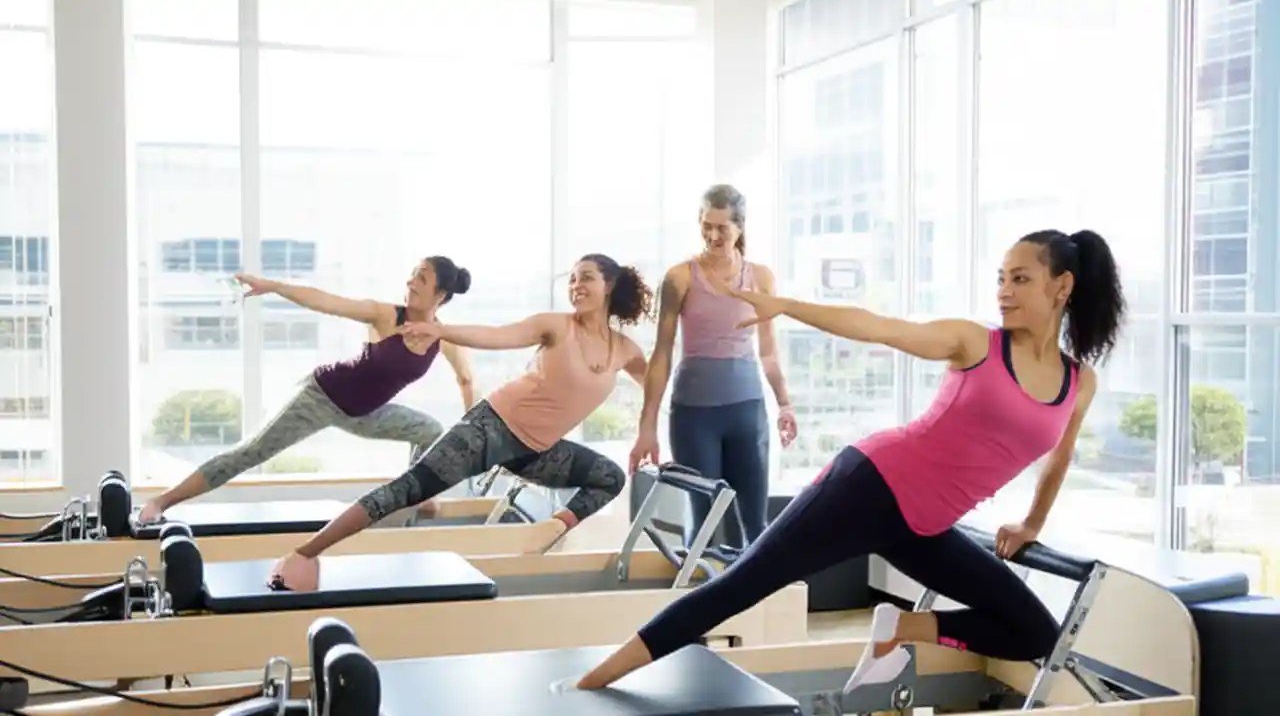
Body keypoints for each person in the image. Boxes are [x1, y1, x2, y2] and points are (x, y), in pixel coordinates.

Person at [573, 229, 1125, 693]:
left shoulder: (1080, 382)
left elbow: (1060, 456)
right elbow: (877, 325)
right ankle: (590, 685)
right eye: (1001, 278)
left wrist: (1032, 523)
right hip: (869, 485)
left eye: (1020, 279)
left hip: (924, 526)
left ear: (1063, 287)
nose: (1004, 291)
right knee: (738, 588)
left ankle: (900, 626)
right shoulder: (975, 342)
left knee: (1034, 634)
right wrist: (787, 307)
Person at [267, 253, 656, 591]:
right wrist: (441, 329)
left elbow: (656, 381)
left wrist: (648, 430)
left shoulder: (624, 351)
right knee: (404, 491)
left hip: (536, 452)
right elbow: (497, 336)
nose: (576, 286)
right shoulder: (556, 325)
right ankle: (303, 553)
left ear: (611, 286)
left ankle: (552, 527)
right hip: (488, 430)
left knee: (610, 477)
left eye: (585, 277)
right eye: (571, 279)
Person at [137, 256, 476, 523]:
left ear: (441, 294)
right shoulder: (386, 315)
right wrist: (273, 286)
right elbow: (325, 301)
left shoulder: (444, 338)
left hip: (366, 414)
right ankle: (161, 501)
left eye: (422, 277)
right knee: (249, 453)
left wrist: (471, 429)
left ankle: (419, 494)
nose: (410, 282)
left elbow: (466, 379)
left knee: (430, 430)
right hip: (321, 397)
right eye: (412, 274)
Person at [630, 184, 795, 550]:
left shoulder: (761, 277)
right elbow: (661, 354)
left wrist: (784, 403)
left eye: (723, 227)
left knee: (753, 518)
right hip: (694, 415)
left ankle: (760, 604)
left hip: (747, 411)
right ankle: (697, 600)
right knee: (704, 517)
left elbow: (768, 351)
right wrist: (647, 428)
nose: (713, 235)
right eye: (707, 225)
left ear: (741, 227)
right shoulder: (680, 277)